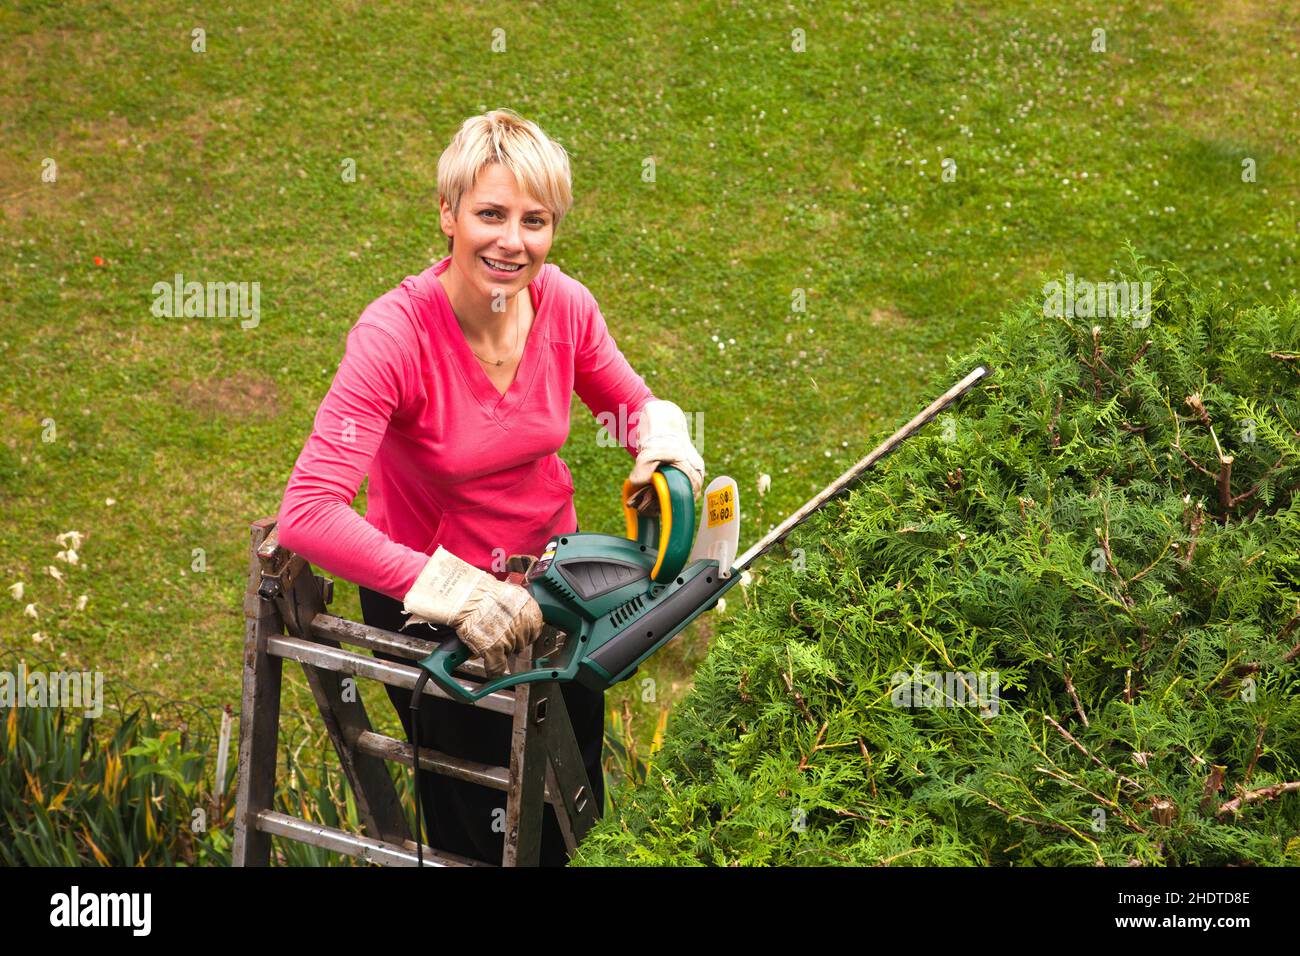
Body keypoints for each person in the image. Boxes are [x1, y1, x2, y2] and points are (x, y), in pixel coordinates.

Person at [274, 108, 704, 866]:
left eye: (535, 220)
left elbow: (630, 407)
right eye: (491, 214)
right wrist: (460, 593)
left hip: (558, 591)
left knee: (572, 810)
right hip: (437, 610)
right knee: (479, 821)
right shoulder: (394, 338)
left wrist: (662, 442)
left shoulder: (564, 306)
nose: (513, 241)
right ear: (447, 213)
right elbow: (308, 513)